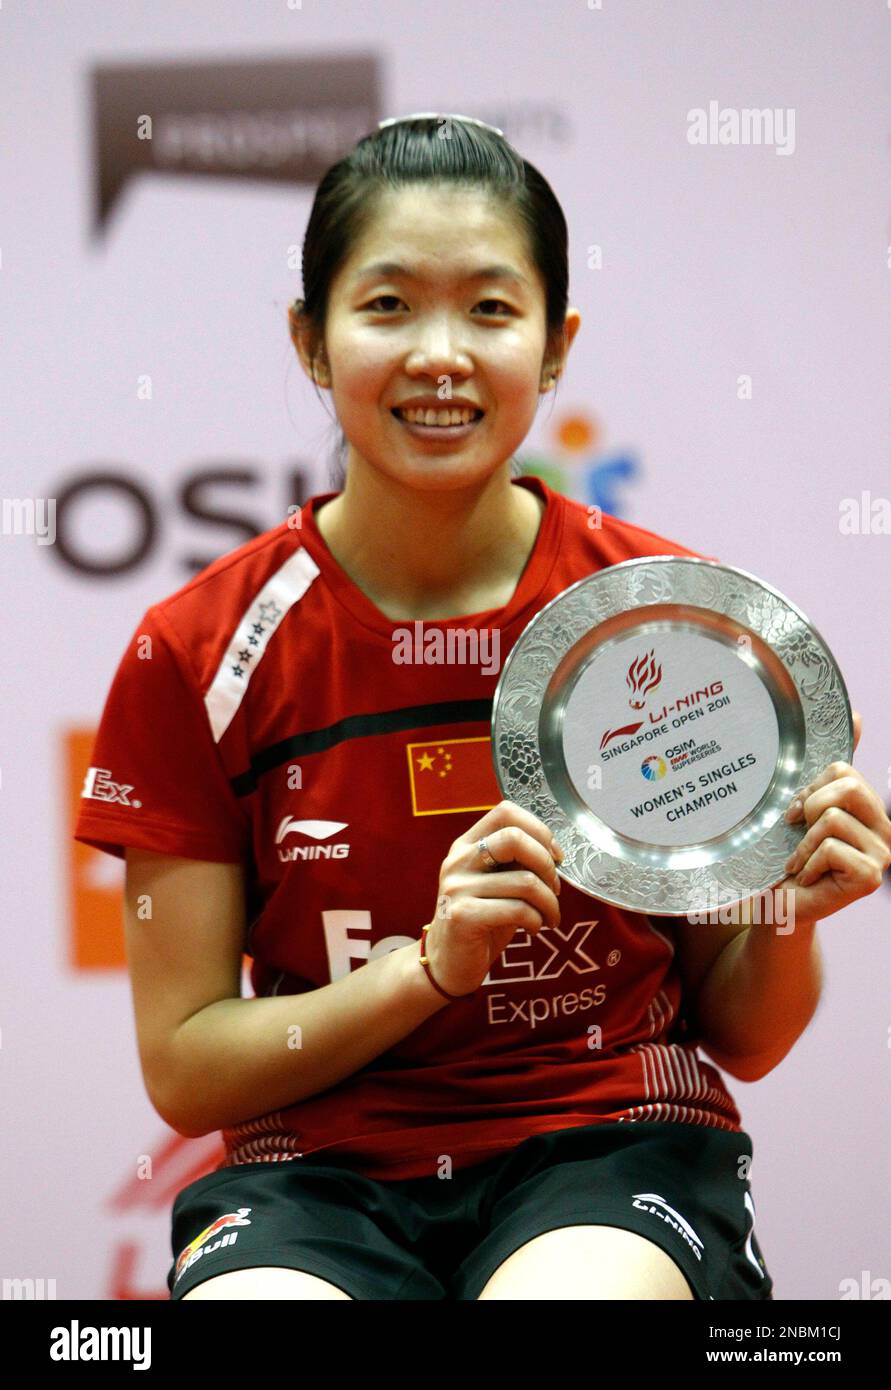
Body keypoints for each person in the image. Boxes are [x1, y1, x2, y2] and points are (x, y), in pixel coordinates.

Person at [74, 114, 891, 1302]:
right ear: (310, 341)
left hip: (608, 1139)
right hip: (315, 1170)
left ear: (557, 349)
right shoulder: (194, 652)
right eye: (390, 306)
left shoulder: (668, 629)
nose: (441, 355)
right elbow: (189, 1069)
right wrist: (431, 972)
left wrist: (784, 895)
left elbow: (749, 1037)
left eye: (492, 311)